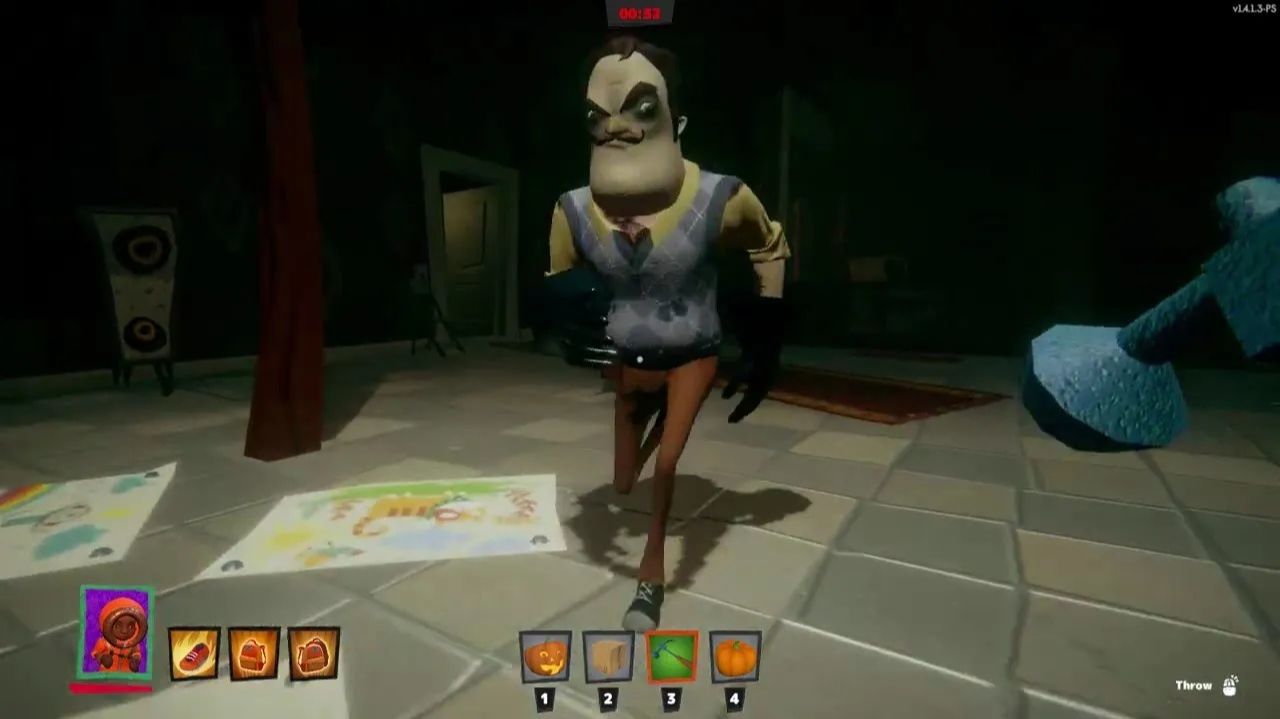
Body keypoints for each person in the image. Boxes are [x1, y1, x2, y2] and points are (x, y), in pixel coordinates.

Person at [542, 35, 790, 631]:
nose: (616, 126)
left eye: (641, 107)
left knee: (667, 464)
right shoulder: (573, 211)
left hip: (692, 353)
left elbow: (768, 245)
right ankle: (651, 435)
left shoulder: (720, 198)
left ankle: (649, 580)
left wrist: (765, 334)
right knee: (624, 480)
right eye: (599, 115)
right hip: (628, 356)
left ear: (675, 119)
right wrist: (571, 310)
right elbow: (557, 279)